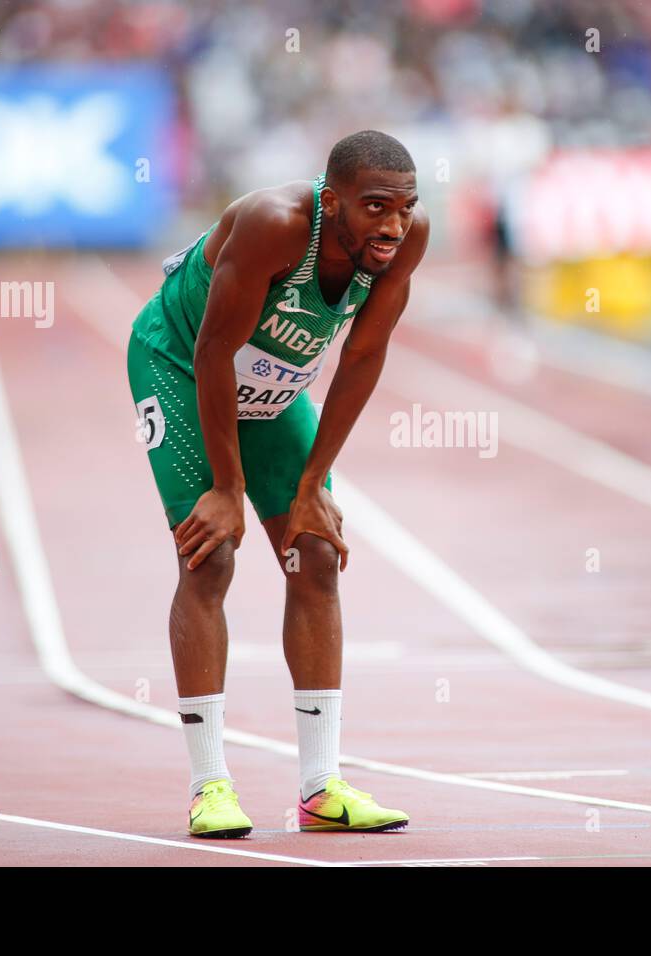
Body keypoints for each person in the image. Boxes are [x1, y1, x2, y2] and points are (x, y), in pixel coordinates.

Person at [126, 130, 428, 837]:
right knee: (210, 555)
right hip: (181, 365)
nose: (392, 224)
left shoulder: (404, 241)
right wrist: (227, 489)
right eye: (376, 206)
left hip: (277, 388)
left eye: (405, 208)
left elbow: (363, 355)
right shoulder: (274, 225)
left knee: (315, 552)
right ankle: (210, 787)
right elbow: (212, 351)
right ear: (332, 201)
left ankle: (322, 789)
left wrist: (313, 484)